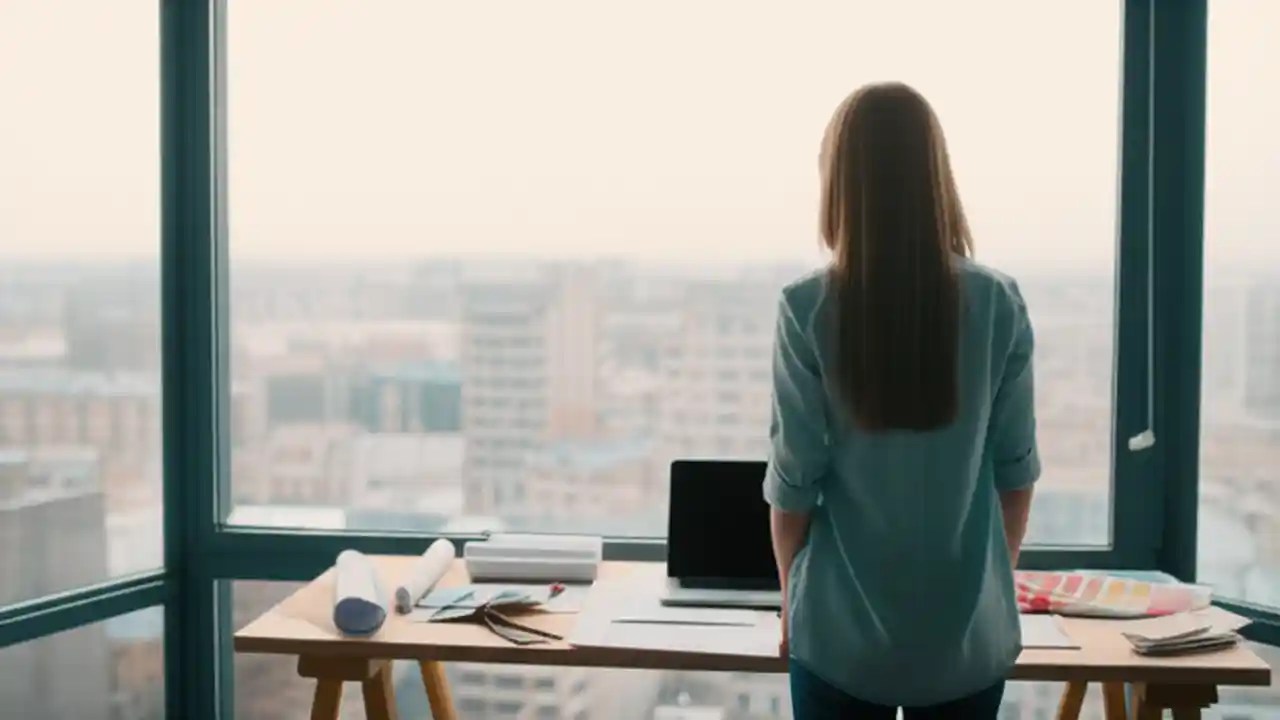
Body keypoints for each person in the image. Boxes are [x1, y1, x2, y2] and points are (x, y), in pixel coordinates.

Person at [764, 82, 1039, 719]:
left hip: (840, 637)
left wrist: (790, 598)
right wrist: (990, 589)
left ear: (838, 182)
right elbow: (1015, 472)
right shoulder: (998, 302)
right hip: (965, 641)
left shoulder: (807, 307)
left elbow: (794, 485)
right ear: (936, 177)